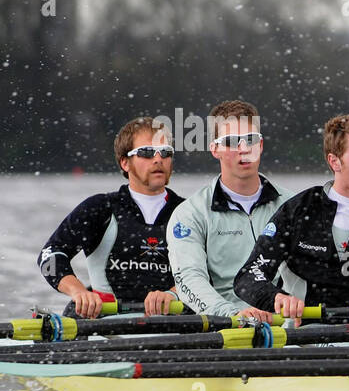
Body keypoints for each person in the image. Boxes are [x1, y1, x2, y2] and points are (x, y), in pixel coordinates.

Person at [234, 114, 349, 319]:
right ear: (334, 161)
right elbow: (248, 277)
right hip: (310, 334)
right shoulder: (300, 211)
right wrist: (277, 298)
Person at [39, 117, 185, 318]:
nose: (158, 159)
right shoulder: (100, 208)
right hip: (105, 325)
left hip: (174, 326)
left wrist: (174, 293)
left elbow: (212, 272)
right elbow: (50, 255)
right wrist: (79, 292)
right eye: (146, 152)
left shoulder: (188, 212)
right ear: (125, 163)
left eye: (165, 152)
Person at [167, 100, 289, 321]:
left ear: (260, 145)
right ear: (215, 149)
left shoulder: (292, 206)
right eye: (232, 142)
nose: (244, 149)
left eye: (250, 140)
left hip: (288, 323)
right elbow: (189, 279)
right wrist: (231, 314)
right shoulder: (190, 214)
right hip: (228, 324)